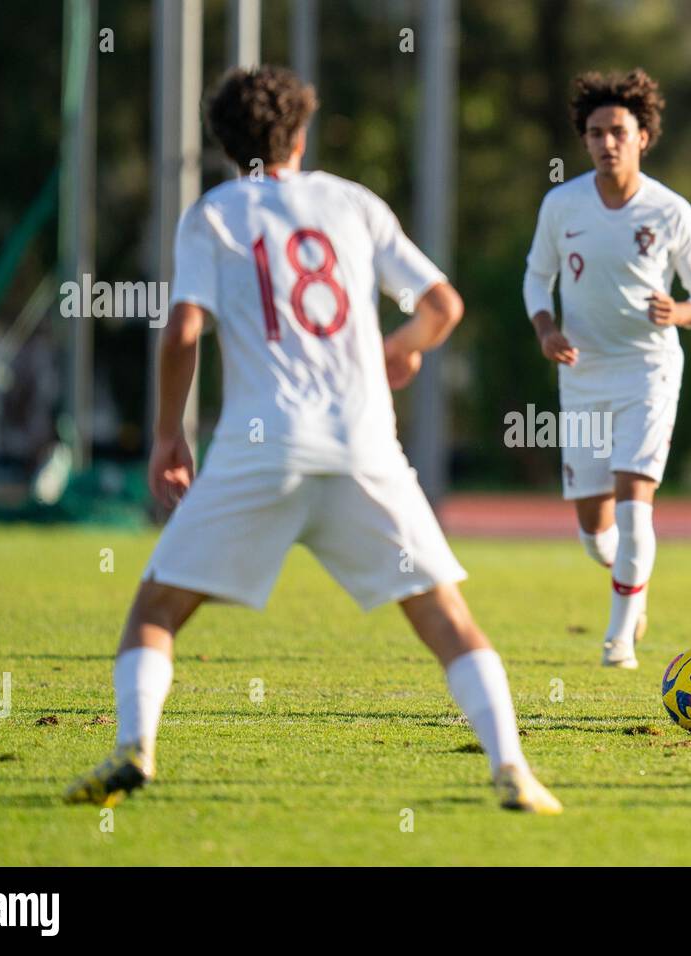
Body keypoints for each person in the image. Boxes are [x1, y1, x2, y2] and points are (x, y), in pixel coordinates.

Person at [65, 65, 560, 813]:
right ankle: (512, 768)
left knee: (155, 612)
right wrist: (399, 350)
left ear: (226, 143)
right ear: (300, 133)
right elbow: (443, 305)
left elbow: (183, 332)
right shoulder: (352, 203)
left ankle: (137, 745)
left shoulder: (215, 214)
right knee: (446, 619)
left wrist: (168, 435)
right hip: (364, 448)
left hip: (261, 450)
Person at [523, 68, 691, 670]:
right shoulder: (562, 204)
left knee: (637, 505)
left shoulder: (670, 211)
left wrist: (682, 309)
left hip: (648, 371)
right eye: (594, 132)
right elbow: (537, 277)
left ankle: (617, 639)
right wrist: (546, 329)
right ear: (583, 140)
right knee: (595, 532)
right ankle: (634, 581)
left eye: (617, 131)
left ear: (643, 135)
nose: (606, 142)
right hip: (583, 376)